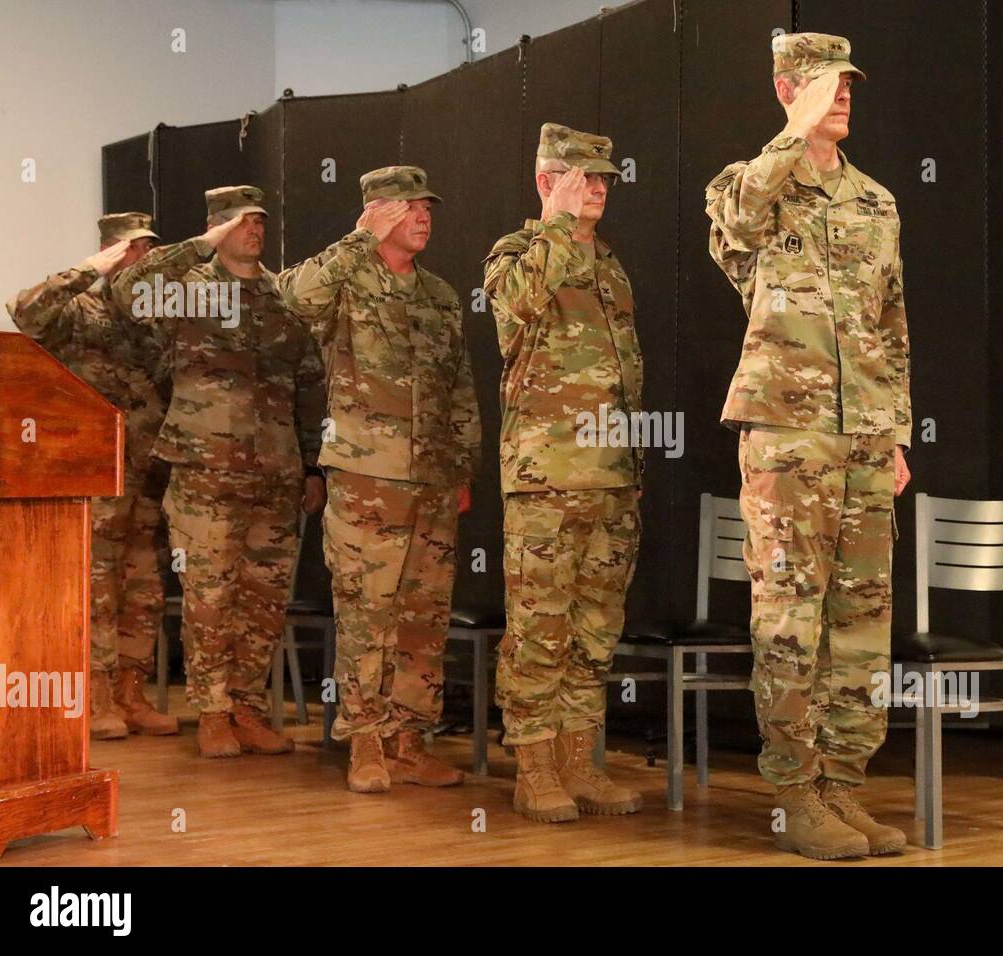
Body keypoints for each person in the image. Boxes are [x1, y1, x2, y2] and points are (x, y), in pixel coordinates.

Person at [705, 33, 914, 859]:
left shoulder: (877, 202)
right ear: (790, 88)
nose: (846, 96)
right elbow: (736, 224)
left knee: (861, 619)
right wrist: (792, 134)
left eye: (853, 83)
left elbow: (891, 327)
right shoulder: (749, 185)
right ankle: (795, 794)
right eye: (830, 83)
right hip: (789, 432)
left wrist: (894, 429)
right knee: (791, 615)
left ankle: (842, 786)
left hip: (863, 432)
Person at [279, 166, 480, 793]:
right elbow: (293, 297)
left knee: (425, 616)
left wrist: (463, 465)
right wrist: (357, 238)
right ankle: (364, 740)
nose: (423, 218)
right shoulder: (346, 278)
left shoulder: (441, 295)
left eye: (428, 208)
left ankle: (409, 740)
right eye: (409, 208)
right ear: (376, 212)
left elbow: (461, 386)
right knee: (368, 612)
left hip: (433, 480)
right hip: (367, 476)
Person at [112, 186, 327, 759]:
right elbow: (129, 290)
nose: (254, 229)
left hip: (276, 471)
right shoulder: (188, 292)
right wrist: (198, 246)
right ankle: (210, 711)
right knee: (210, 595)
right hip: (206, 471)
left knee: (263, 597)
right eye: (240, 221)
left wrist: (311, 465)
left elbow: (308, 382)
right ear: (216, 227)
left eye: (260, 220)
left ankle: (249, 708)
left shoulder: (283, 296)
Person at [483, 123, 645, 823]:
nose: (599, 188)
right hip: (546, 477)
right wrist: (553, 225)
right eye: (584, 177)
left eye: (605, 178)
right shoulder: (517, 253)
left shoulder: (610, 265)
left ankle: (581, 763)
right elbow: (513, 310)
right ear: (547, 181)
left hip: (613, 476)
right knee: (540, 629)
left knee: (594, 630)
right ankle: (535, 768)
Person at [7, 212, 177, 740]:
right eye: (133, 251)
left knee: (144, 586)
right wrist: (88, 269)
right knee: (97, 588)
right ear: (110, 253)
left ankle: (131, 691)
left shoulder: (157, 320)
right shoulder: (77, 310)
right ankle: (96, 695)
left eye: (150, 252)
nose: (143, 262)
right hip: (94, 476)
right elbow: (24, 311)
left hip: (147, 474)